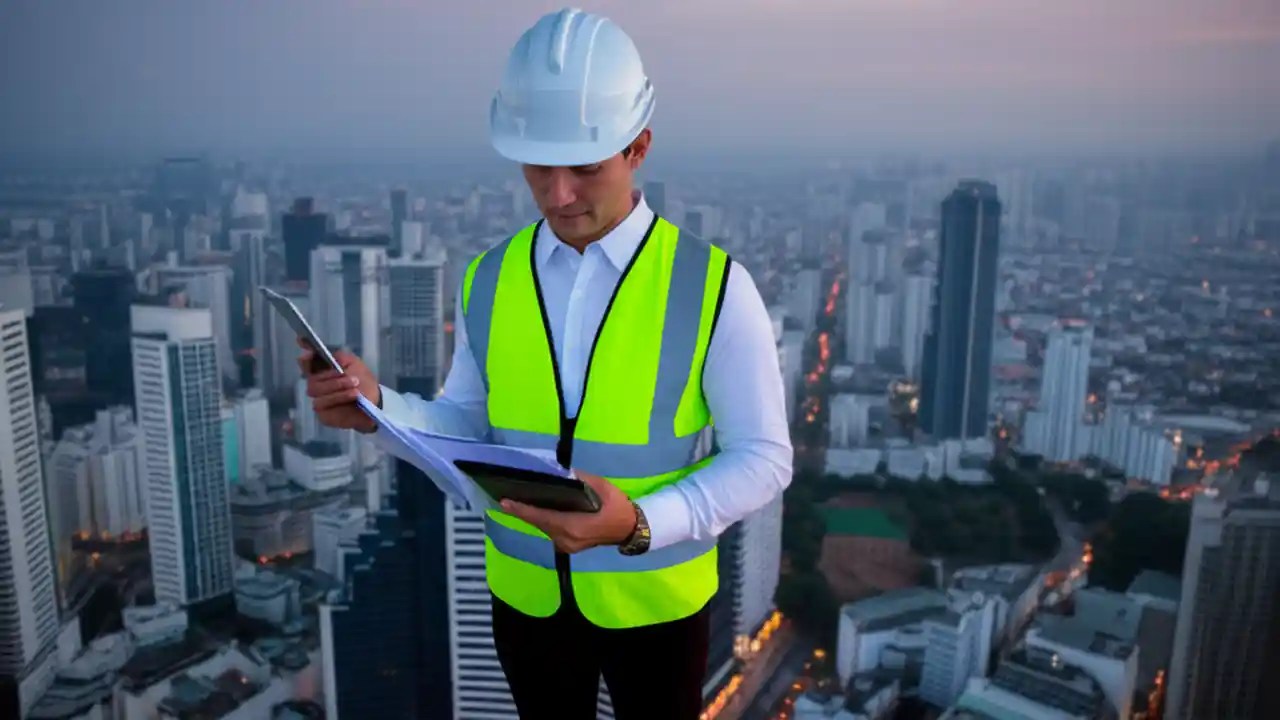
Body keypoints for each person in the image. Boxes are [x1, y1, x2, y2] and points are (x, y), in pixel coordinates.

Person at [300, 7, 792, 719]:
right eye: (538, 165)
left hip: (654, 602)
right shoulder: (490, 278)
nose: (558, 194)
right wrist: (378, 409)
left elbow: (766, 458)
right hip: (526, 596)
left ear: (639, 147)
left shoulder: (713, 285)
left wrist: (638, 522)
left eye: (585, 167)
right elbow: (467, 424)